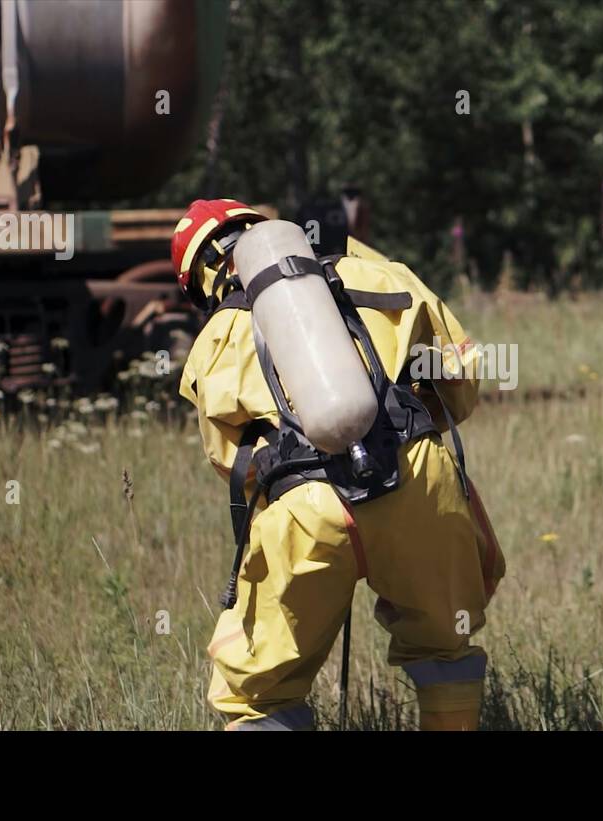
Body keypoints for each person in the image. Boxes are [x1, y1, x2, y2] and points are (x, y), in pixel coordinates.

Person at [170, 198, 505, 731]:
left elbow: (237, 466)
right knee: (446, 651)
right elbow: (461, 381)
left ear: (200, 281)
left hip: (304, 508)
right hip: (416, 472)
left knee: (258, 695)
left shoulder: (217, 336)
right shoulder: (381, 274)